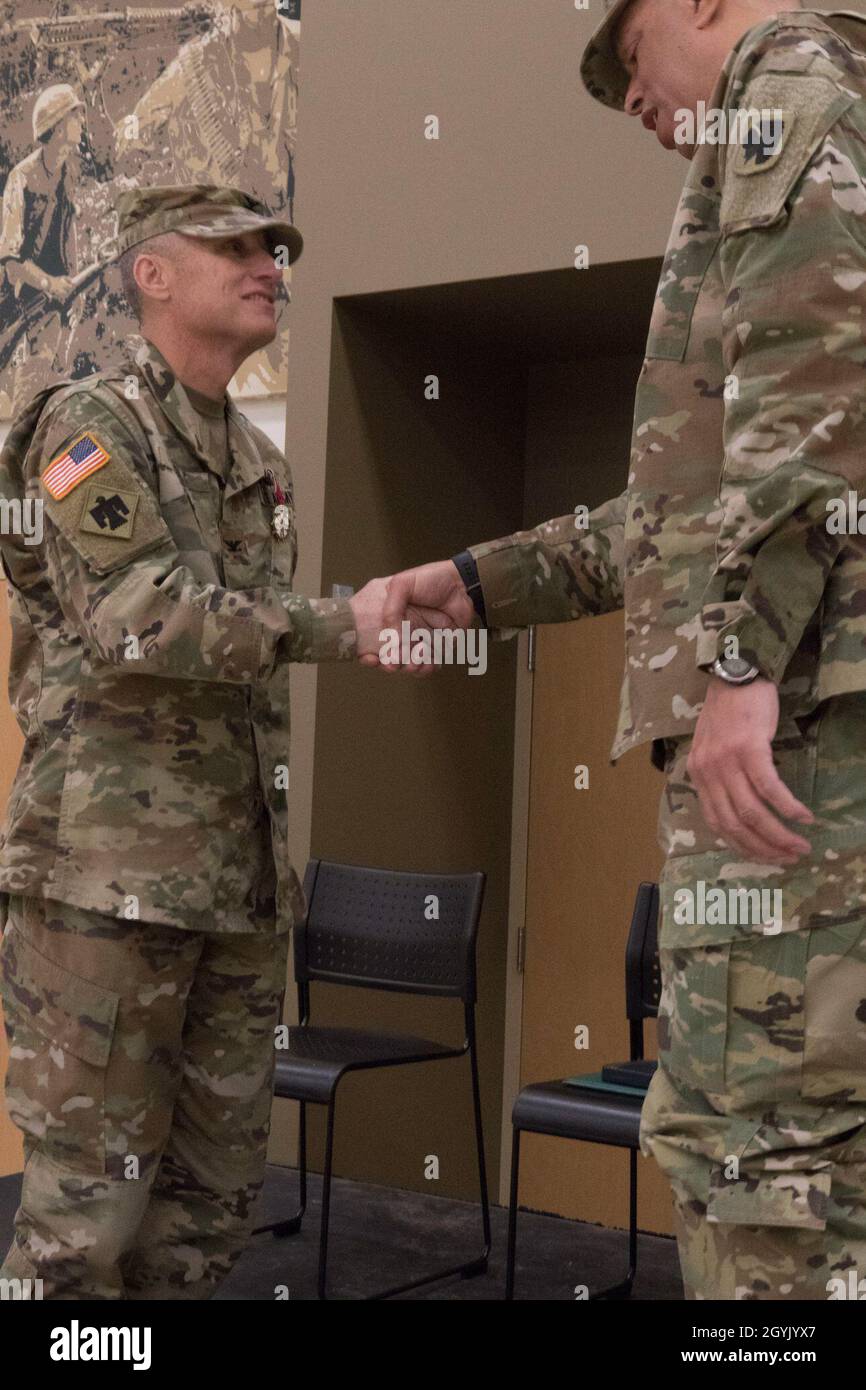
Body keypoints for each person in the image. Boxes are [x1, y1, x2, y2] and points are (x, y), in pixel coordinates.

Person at [381, 1, 866, 1300]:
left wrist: (742, 663)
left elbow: (817, 381)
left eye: (626, 56)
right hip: (806, 735)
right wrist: (472, 585)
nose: (627, 97)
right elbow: (669, 518)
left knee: (758, 1177)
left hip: (800, 747)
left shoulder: (788, 77)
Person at [0, 182, 445, 1299]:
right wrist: (350, 619)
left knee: (206, 1210)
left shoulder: (260, 460)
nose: (268, 264)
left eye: (277, 248)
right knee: (87, 1220)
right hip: (107, 886)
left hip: (238, 890)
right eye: (237, 246)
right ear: (152, 272)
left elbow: (240, 665)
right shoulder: (87, 424)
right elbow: (141, 614)